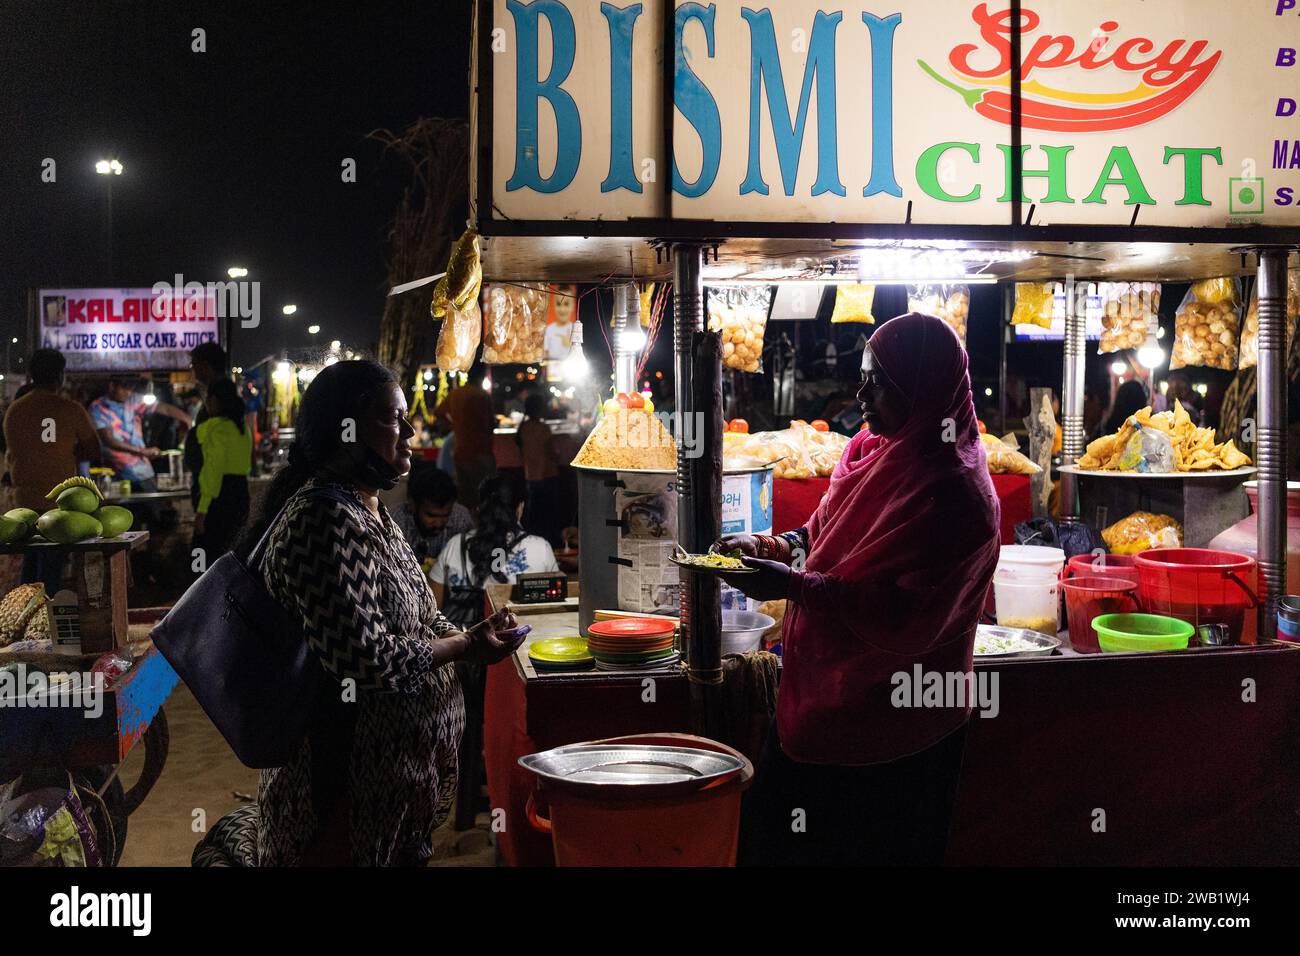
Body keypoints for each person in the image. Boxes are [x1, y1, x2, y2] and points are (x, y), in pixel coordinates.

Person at [716, 313, 1000, 866]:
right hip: (822, 703)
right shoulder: (870, 452)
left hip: (897, 727)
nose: (860, 393)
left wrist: (795, 587)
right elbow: (818, 536)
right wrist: (770, 549)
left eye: (879, 382)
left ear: (923, 390)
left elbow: (904, 615)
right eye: (863, 375)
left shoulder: (959, 497)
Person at [238, 360, 525, 866]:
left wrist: (470, 633)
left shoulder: (368, 508)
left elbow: (419, 615)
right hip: (343, 791)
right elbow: (367, 660)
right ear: (345, 431)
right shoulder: (322, 519)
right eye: (393, 420)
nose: (411, 431)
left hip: (394, 791)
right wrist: (466, 647)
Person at [2, 349, 101, 596]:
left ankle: (26, 614)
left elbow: (15, 450)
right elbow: (94, 451)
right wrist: (70, 451)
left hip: (23, 503)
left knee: (31, 560)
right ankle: (47, 619)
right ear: (60, 376)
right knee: (52, 567)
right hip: (60, 503)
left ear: (30, 375)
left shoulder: (14, 410)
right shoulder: (70, 409)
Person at [428, 474, 559, 619]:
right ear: (520, 507)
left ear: (479, 509)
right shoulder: (541, 548)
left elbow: (432, 612)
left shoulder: (455, 544)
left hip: (466, 638)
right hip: (523, 637)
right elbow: (553, 609)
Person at [90, 378, 193, 492]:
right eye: (124, 389)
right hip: (114, 472)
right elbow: (108, 439)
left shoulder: (133, 400)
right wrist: (141, 451)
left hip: (142, 470)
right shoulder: (98, 407)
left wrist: (186, 419)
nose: (128, 393)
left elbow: (165, 409)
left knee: (152, 504)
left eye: (130, 389)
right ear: (112, 386)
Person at [192, 379, 253, 561]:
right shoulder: (242, 428)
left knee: (208, 554)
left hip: (219, 498)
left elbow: (213, 471)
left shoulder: (215, 429)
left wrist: (202, 511)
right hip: (241, 493)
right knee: (234, 552)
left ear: (215, 401)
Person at [393, 466, 474, 574]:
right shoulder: (396, 521)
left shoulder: (461, 519)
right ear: (413, 505)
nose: (439, 523)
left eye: (446, 515)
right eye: (431, 515)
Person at [183, 342, 230, 508]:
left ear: (205, 366)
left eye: (193, 364)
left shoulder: (221, 397)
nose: (192, 369)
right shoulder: (216, 393)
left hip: (217, 495)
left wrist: (204, 506)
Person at [437, 378, 496, 509]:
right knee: (485, 495)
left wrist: (454, 426)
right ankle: (481, 526)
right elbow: (491, 423)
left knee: (466, 497)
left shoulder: (456, 394)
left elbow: (439, 412)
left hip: (461, 453)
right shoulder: (482, 395)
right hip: (481, 452)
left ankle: (468, 525)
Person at [517, 393, 561, 545]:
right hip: (547, 476)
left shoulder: (523, 428)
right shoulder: (544, 429)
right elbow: (551, 453)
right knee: (549, 516)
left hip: (531, 477)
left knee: (533, 516)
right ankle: (551, 544)